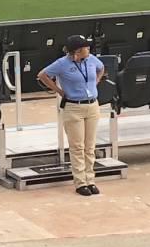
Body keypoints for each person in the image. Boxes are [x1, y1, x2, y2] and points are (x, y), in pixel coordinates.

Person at [38, 34, 109, 196]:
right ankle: (80, 182)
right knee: (77, 147)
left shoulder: (91, 59)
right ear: (77, 50)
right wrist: (59, 91)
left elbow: (101, 67)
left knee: (90, 146)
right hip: (73, 107)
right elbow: (42, 75)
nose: (89, 49)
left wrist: (96, 82)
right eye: (85, 47)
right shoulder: (62, 64)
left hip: (92, 105)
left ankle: (90, 180)